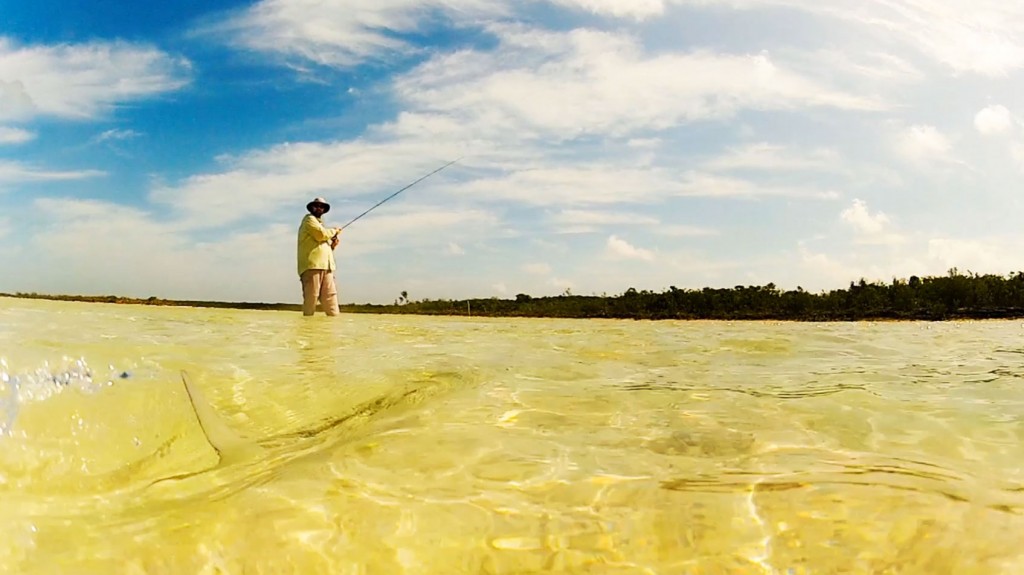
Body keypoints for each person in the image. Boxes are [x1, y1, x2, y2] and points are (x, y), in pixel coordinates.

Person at [297, 197, 342, 316]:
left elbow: (322, 248)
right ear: (311, 207)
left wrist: (332, 246)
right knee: (311, 300)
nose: (319, 208)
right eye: (316, 206)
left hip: (327, 268)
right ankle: (306, 331)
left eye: (322, 206)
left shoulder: (320, 226)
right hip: (312, 267)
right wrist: (335, 230)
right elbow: (320, 235)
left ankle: (331, 331)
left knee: (331, 302)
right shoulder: (309, 219)